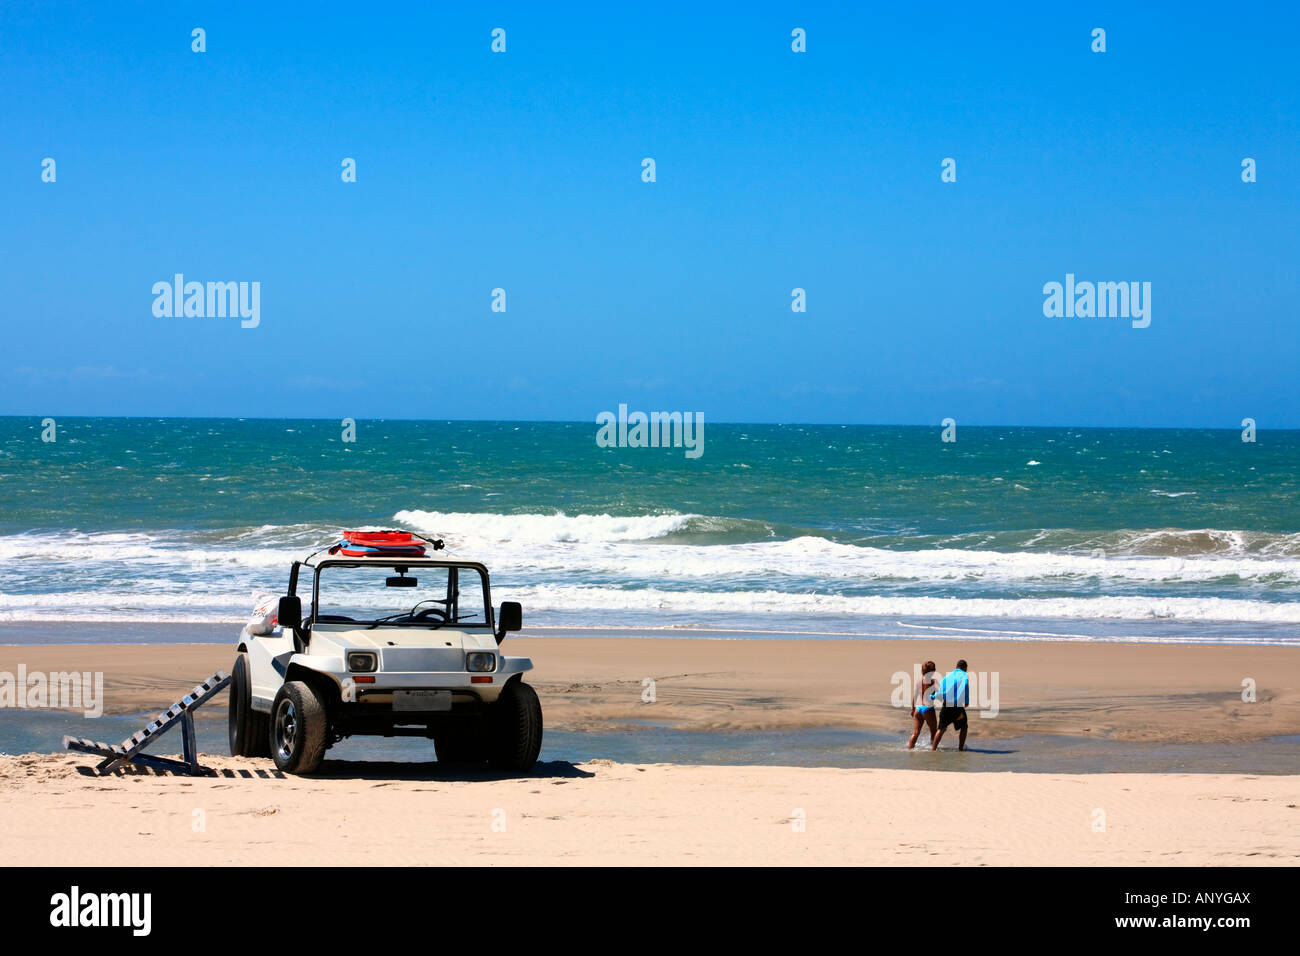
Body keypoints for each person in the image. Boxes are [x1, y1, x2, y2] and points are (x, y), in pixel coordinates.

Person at [931, 659, 970, 751]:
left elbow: (941, 688)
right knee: (964, 727)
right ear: (965, 668)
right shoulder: (964, 675)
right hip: (958, 708)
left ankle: (933, 750)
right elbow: (965, 685)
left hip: (946, 706)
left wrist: (934, 696)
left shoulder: (948, 676)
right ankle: (960, 748)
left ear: (956, 667)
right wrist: (966, 700)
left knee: (941, 729)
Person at [908, 660, 938, 750]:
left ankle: (910, 750)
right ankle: (934, 753)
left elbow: (914, 696)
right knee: (933, 732)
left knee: (915, 733)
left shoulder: (919, 681)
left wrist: (913, 709)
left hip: (918, 708)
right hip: (928, 708)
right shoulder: (933, 681)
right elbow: (941, 692)